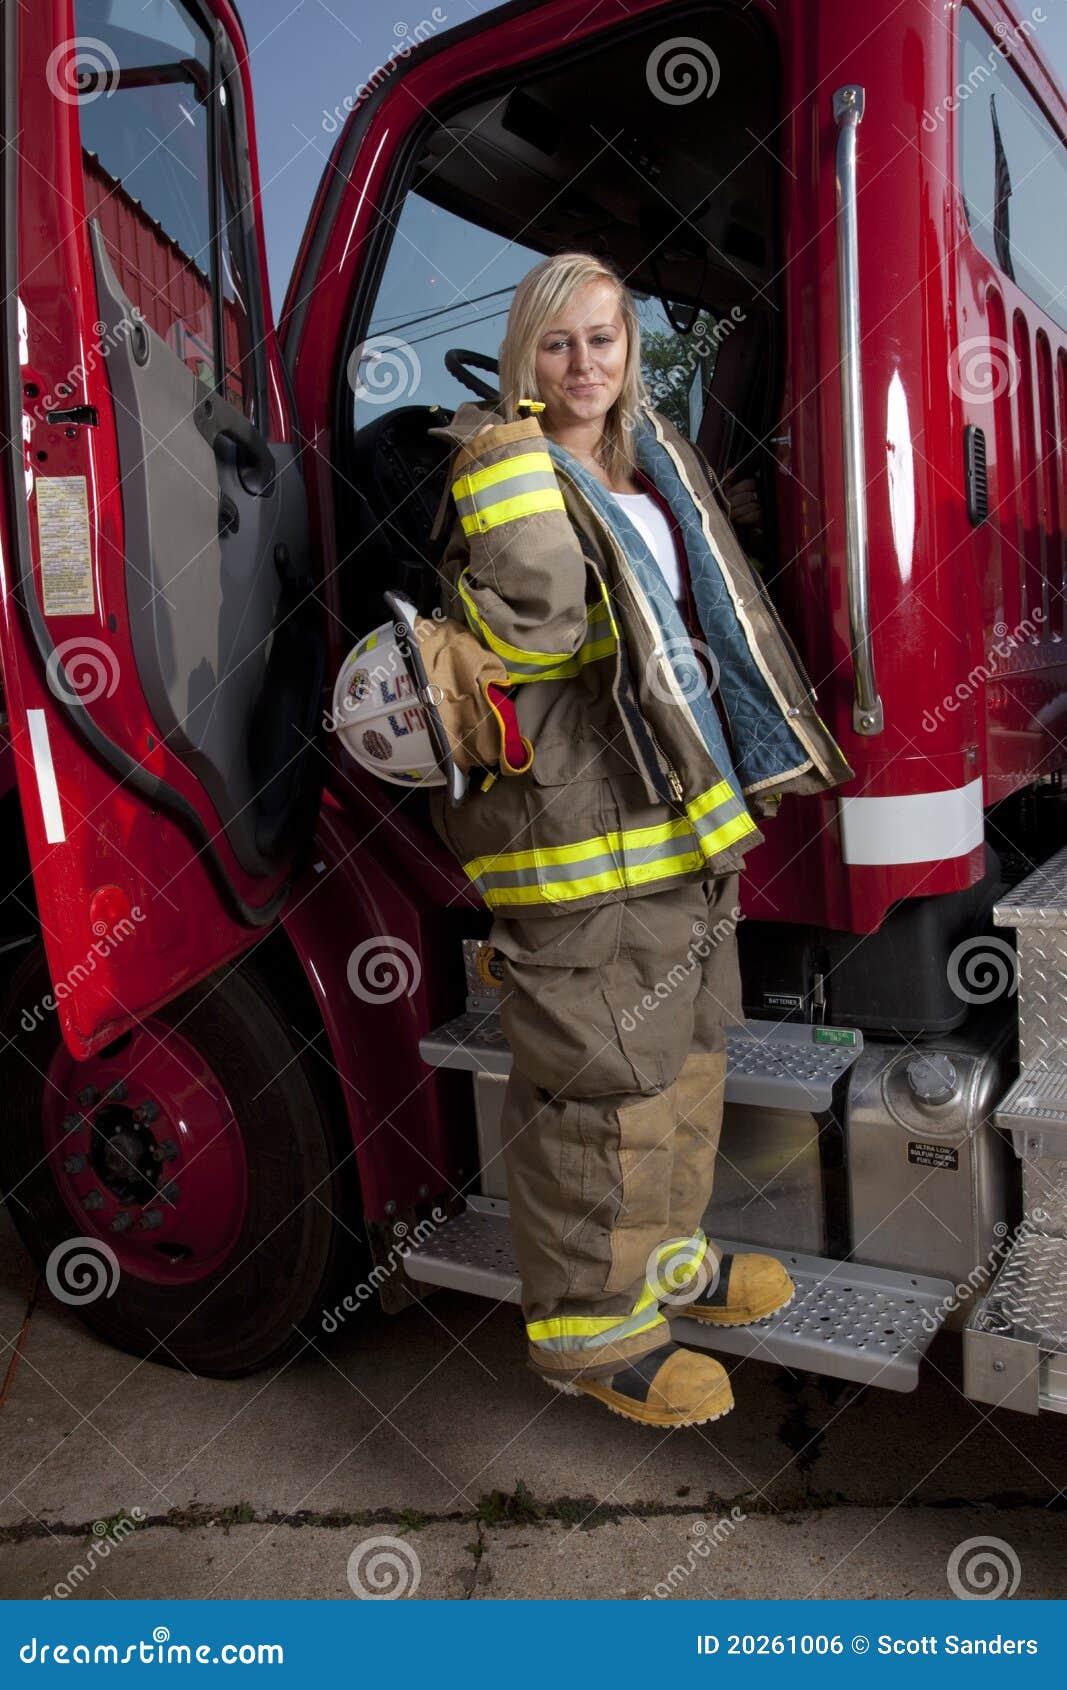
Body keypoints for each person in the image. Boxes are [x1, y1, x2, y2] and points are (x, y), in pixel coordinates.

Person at [426, 252, 855, 1429]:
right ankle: (590, 1331)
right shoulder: (503, 472)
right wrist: (512, 461)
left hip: (674, 822)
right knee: (599, 1087)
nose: (583, 364)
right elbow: (544, 619)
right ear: (525, 355)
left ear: (628, 354)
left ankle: (668, 1265)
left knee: (685, 1062)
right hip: (580, 836)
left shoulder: (647, 472)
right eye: (557, 342)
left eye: (604, 339)